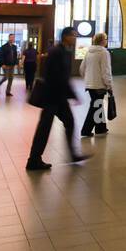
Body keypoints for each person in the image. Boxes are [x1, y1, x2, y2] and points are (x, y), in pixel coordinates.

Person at [26, 27, 90, 171]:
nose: (75, 38)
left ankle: (72, 154)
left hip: (58, 97)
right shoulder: (56, 52)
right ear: (66, 36)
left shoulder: (65, 52)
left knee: (69, 123)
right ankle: (34, 160)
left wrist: (70, 94)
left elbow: (64, 77)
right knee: (44, 128)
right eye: (73, 35)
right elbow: (55, 76)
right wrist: (71, 94)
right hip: (52, 97)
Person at [79, 32, 113, 138]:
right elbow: (105, 70)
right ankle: (85, 130)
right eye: (106, 39)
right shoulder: (104, 52)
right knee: (95, 106)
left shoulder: (89, 51)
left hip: (90, 84)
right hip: (99, 85)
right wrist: (109, 84)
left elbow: (81, 68)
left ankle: (100, 128)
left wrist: (87, 78)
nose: (106, 41)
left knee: (98, 104)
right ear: (102, 40)